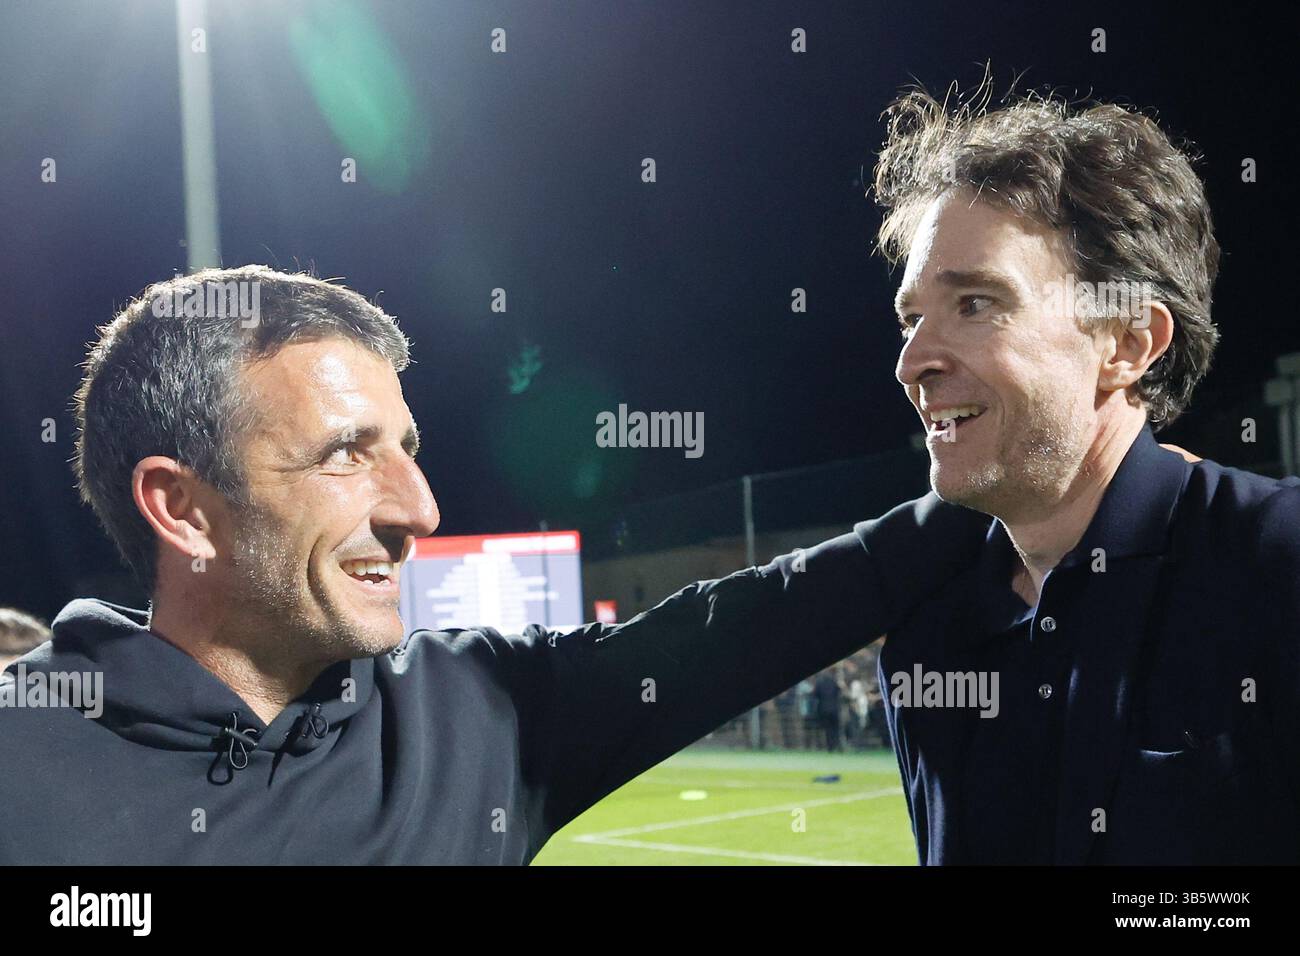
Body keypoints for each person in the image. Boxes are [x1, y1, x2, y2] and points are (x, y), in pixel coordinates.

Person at [0, 266, 989, 864]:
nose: (416, 509)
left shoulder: (481, 714)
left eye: (409, 448)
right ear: (184, 508)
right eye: (348, 451)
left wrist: (1005, 475)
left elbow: (755, 621)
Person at [870, 76, 1300, 863]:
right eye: (912, 316)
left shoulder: (1276, 566)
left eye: (974, 303)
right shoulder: (927, 636)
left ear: (1129, 343)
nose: (912, 362)